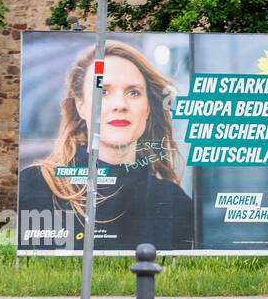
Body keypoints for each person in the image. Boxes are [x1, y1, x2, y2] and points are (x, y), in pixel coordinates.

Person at [18, 41, 194, 252]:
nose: (120, 105)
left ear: (148, 108)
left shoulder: (174, 201)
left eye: (133, 93)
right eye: (103, 92)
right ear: (81, 107)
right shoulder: (36, 186)